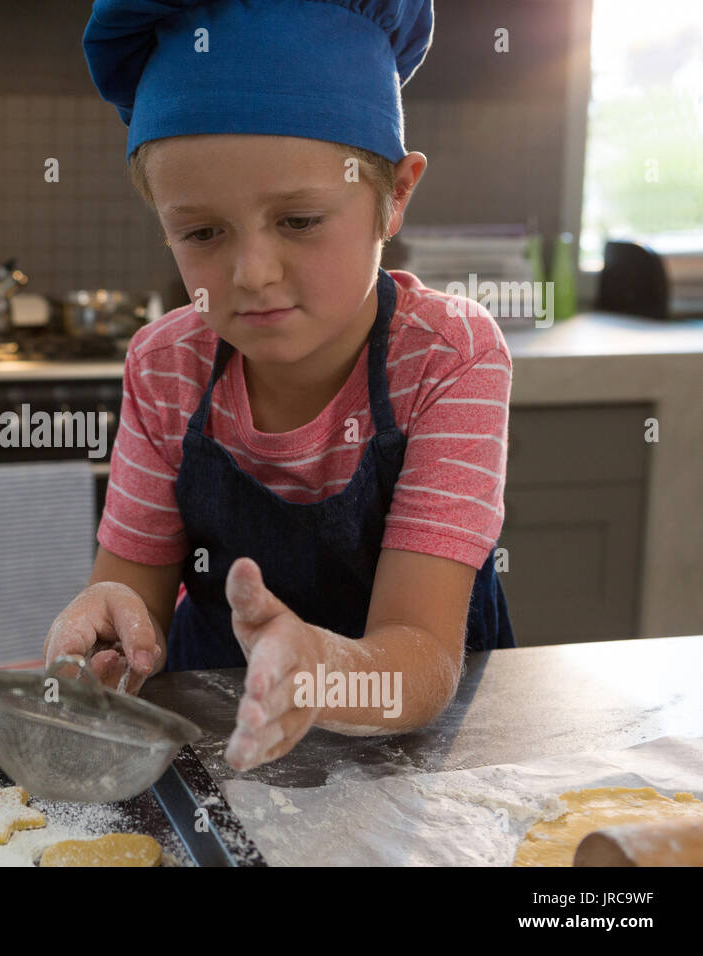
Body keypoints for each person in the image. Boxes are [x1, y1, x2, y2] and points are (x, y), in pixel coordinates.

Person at [46, 0, 515, 772]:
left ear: (395, 193)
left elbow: (425, 654)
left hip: (424, 762)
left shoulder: (447, 359)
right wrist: (108, 628)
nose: (252, 275)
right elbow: (131, 604)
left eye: (298, 220)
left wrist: (318, 671)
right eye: (202, 233)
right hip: (226, 740)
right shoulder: (165, 365)